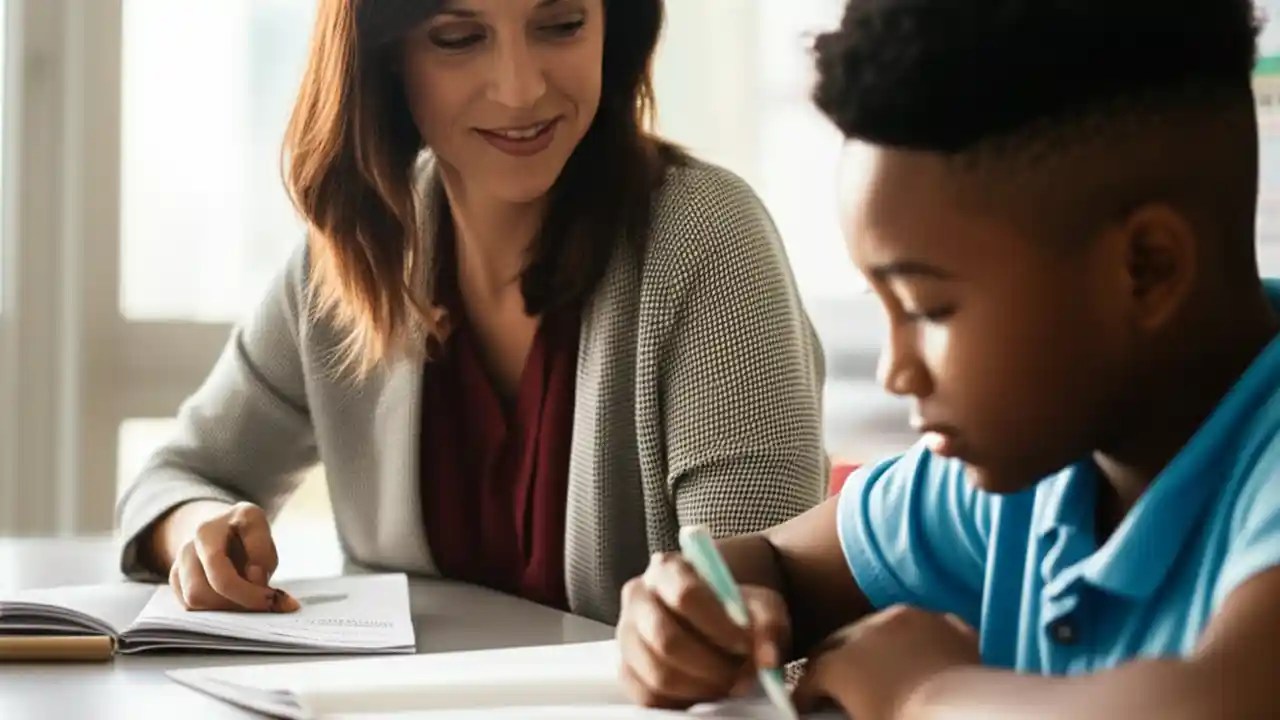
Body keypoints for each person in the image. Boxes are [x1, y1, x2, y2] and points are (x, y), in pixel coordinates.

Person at [616, 0, 1280, 717]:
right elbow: (780, 562)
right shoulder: (1036, 463)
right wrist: (688, 607)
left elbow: (1220, 703)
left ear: (1146, 269)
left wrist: (923, 692)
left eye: (930, 310)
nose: (896, 371)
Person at [115, 0, 827, 625]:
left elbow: (757, 629)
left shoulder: (708, 241)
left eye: (561, 25)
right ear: (385, 54)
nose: (520, 88)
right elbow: (173, 481)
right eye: (459, 38)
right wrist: (200, 532)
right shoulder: (361, 250)